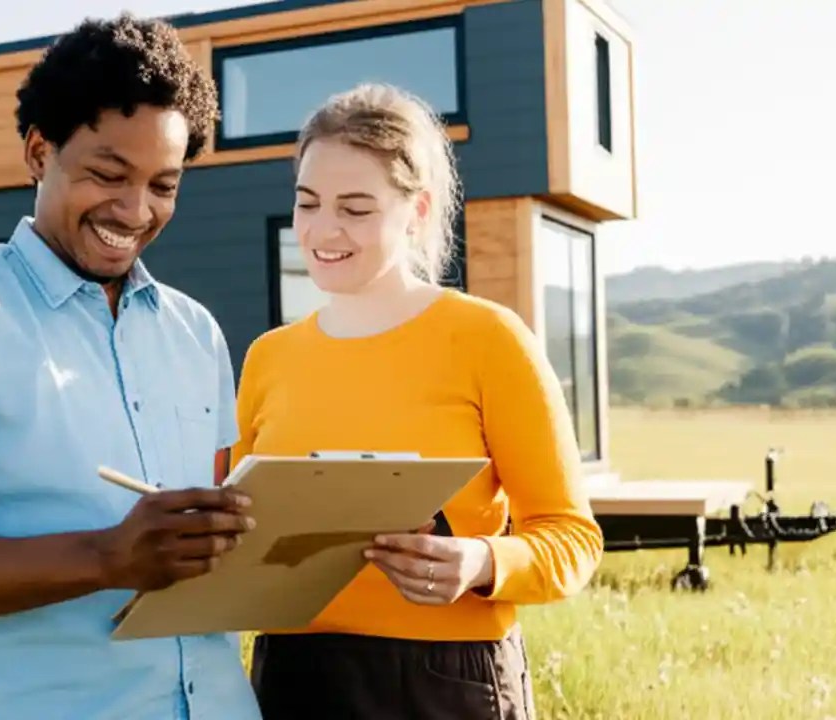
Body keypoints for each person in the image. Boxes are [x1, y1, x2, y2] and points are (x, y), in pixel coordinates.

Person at [0, 14, 261, 720]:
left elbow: (208, 543)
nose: (134, 211)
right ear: (40, 153)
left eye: (164, 186)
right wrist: (109, 556)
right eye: (109, 174)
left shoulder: (197, 335)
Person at [231, 82, 605, 720]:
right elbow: (242, 529)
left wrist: (482, 561)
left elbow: (572, 538)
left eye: (356, 209)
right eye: (308, 203)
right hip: (294, 676)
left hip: (444, 681)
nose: (323, 230)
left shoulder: (488, 338)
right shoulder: (269, 357)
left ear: (419, 211)